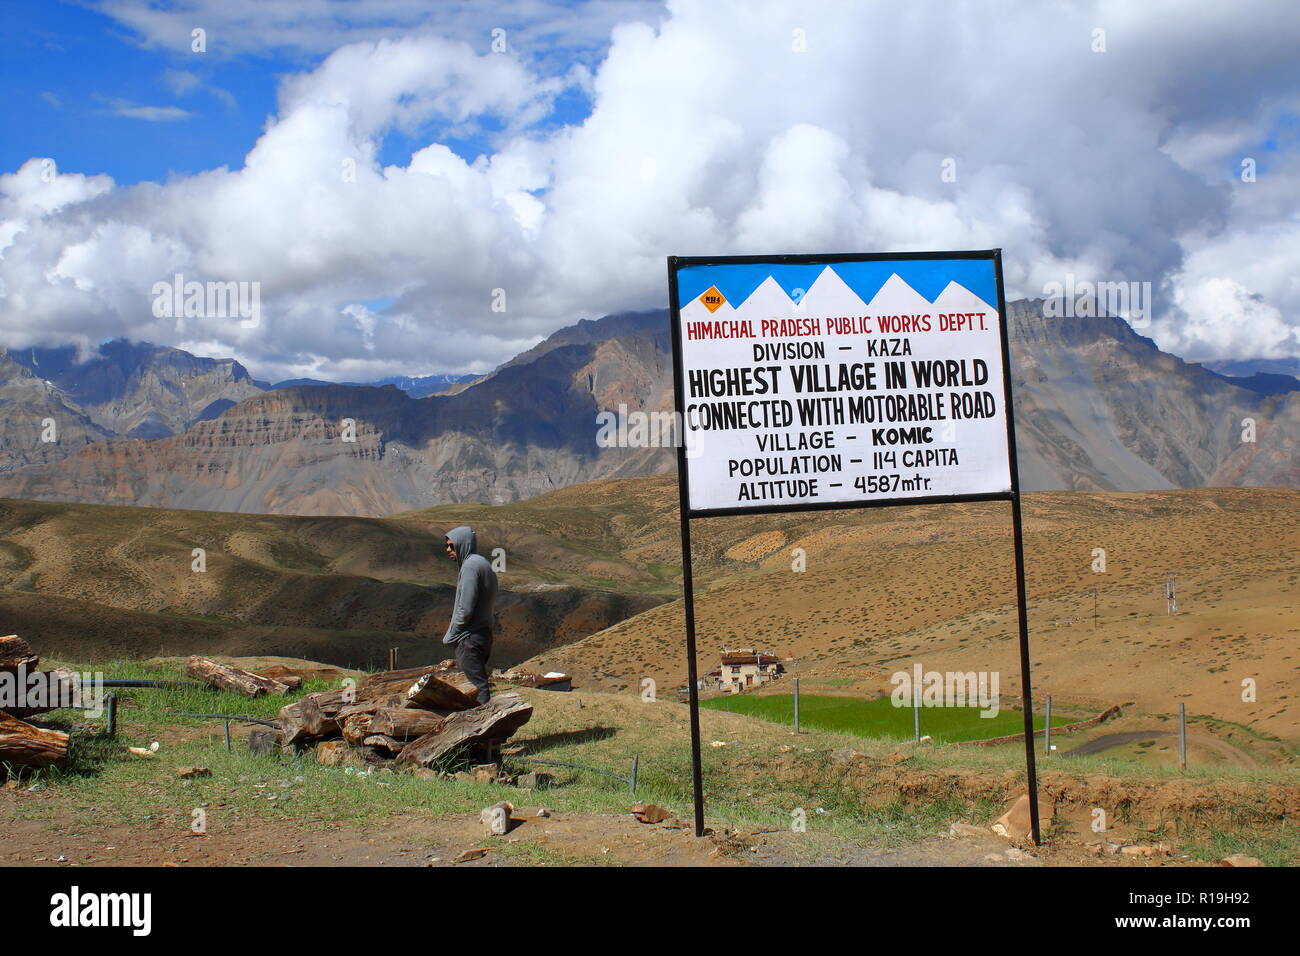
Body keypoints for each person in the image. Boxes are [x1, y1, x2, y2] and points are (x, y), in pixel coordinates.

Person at [441, 525, 497, 705]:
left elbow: (465, 609)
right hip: (483, 634)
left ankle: (482, 728)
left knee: (476, 687)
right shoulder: (483, 563)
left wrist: (452, 634)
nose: (448, 549)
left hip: (469, 638)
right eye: (447, 545)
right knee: (478, 683)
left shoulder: (470, 567)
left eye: (451, 545)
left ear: (462, 544)